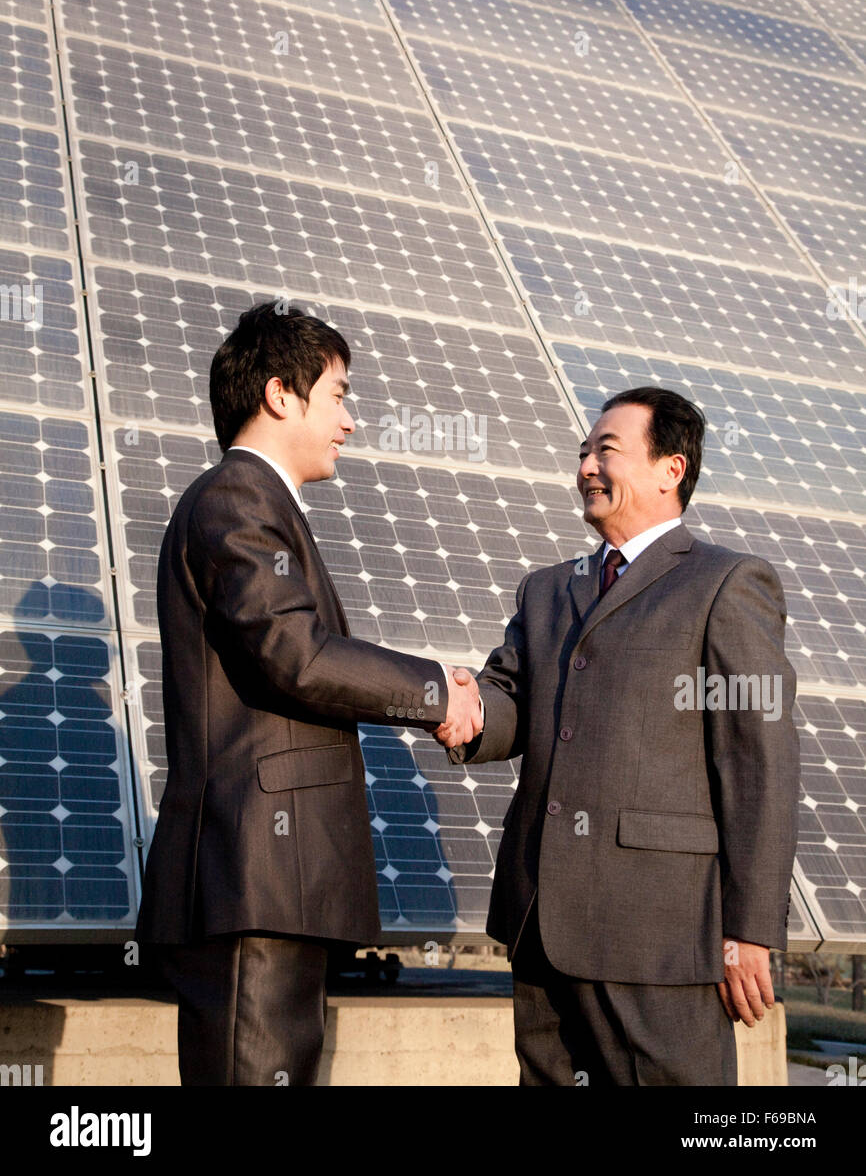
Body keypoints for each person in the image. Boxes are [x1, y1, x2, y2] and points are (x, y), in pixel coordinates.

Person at [135, 300, 481, 1085]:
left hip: (270, 879)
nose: (350, 420)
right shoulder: (238, 500)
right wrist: (437, 691)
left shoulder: (256, 503)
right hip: (255, 872)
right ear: (280, 395)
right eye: (338, 393)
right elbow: (294, 655)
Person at [448, 386, 800, 1086]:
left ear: (671, 469)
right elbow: (512, 700)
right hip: (540, 923)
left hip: (660, 935)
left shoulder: (726, 583)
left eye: (605, 450)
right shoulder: (546, 590)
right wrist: (461, 707)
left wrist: (750, 931)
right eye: (583, 452)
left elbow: (759, 766)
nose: (585, 466)